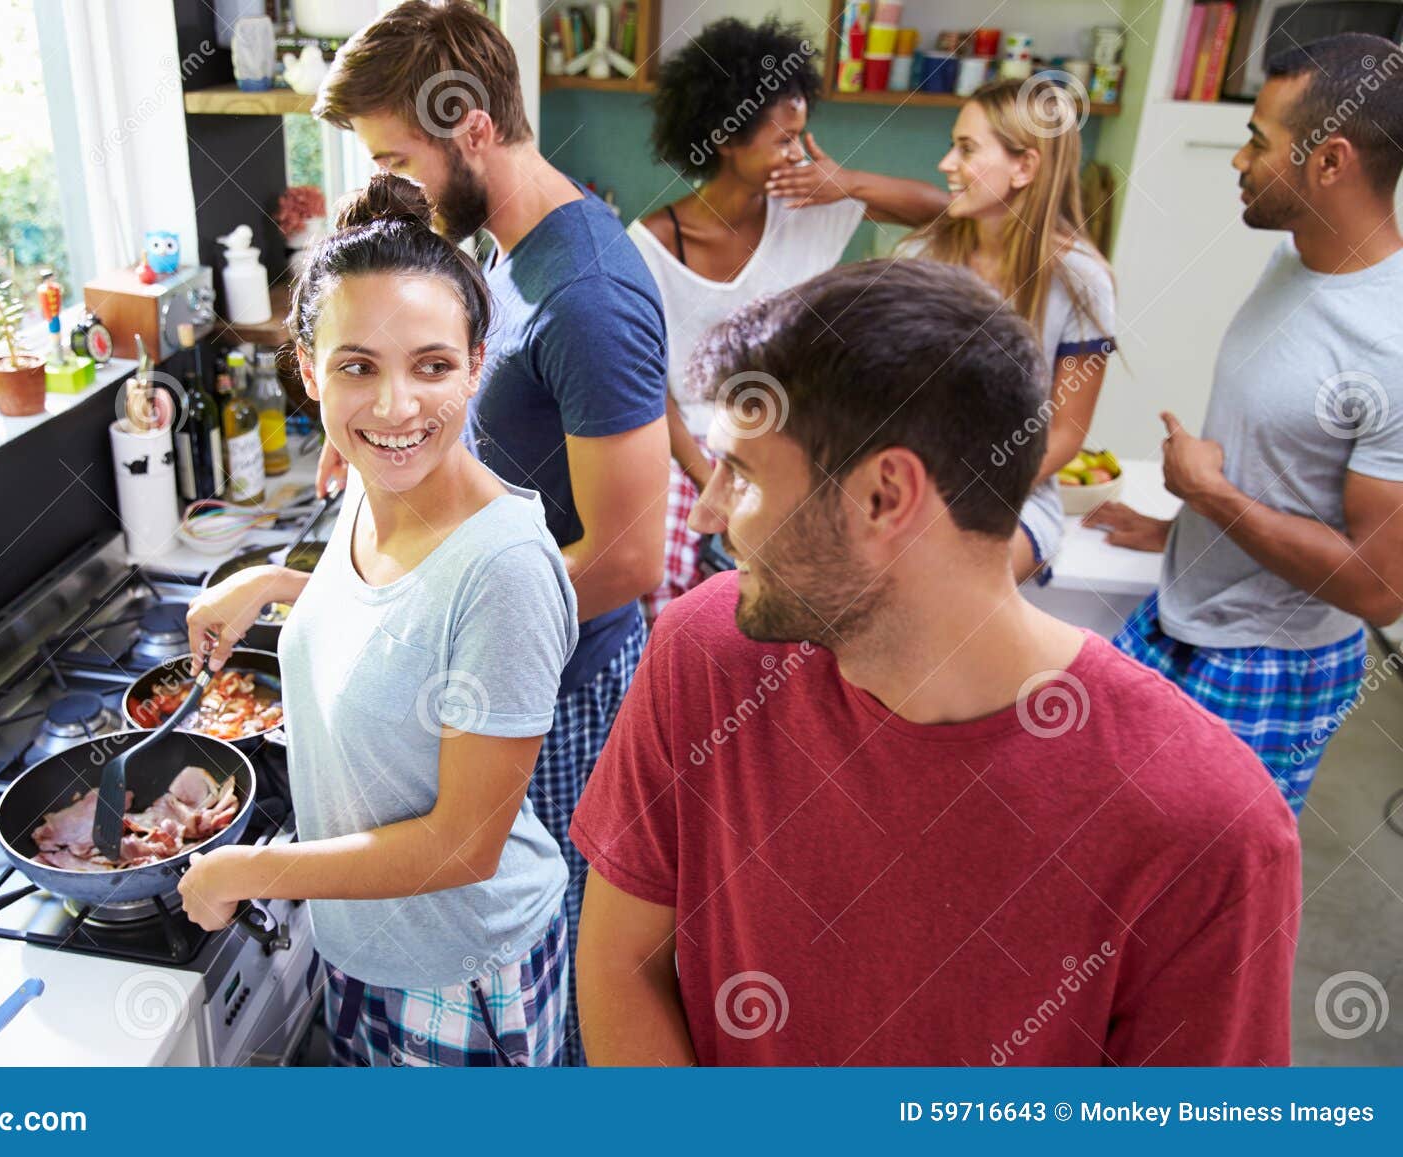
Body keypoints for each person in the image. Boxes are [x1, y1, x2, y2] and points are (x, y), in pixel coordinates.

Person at [570, 258, 1300, 1066]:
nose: (708, 514)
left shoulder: (1211, 826)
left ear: (885, 496)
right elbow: (620, 961)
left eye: (740, 474)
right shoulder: (707, 653)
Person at [311, 0, 668, 1064]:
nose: (390, 186)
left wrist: (419, 622)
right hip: (502, 682)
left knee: (524, 987)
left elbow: (626, 556)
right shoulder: (511, 251)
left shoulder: (588, 294)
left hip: (555, 699)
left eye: (396, 158)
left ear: (469, 124)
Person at [178, 173, 576, 1067]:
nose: (396, 406)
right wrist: (277, 582)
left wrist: (249, 871)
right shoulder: (375, 473)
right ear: (310, 373)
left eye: (433, 365)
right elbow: (394, 606)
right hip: (362, 944)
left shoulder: (505, 567)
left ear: (477, 365)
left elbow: (462, 848)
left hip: (461, 975)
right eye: (358, 365)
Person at [1087, 33, 1403, 815]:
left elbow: (1377, 587)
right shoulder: (1294, 261)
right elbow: (1284, 466)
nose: (1240, 161)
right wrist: (1179, 523)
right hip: (1184, 613)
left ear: (1330, 162)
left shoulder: (1391, 344)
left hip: (1266, 662)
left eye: (1258, 142)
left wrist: (1211, 494)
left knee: (1198, 898)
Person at [629, 16, 948, 622]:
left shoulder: (808, 208)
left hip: (789, 439)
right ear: (725, 138)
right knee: (664, 584)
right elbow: (653, 391)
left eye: (803, 135)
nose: (799, 152)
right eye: (784, 139)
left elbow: (954, 216)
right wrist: (712, 481)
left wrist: (848, 181)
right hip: (687, 450)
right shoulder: (648, 247)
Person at [769, 78, 1117, 583]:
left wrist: (962, 494)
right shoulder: (920, 256)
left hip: (1012, 496)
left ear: (1024, 167)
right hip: (907, 484)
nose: (946, 163)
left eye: (966, 149)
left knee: (942, 590)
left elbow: (1064, 434)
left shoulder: (1082, 279)